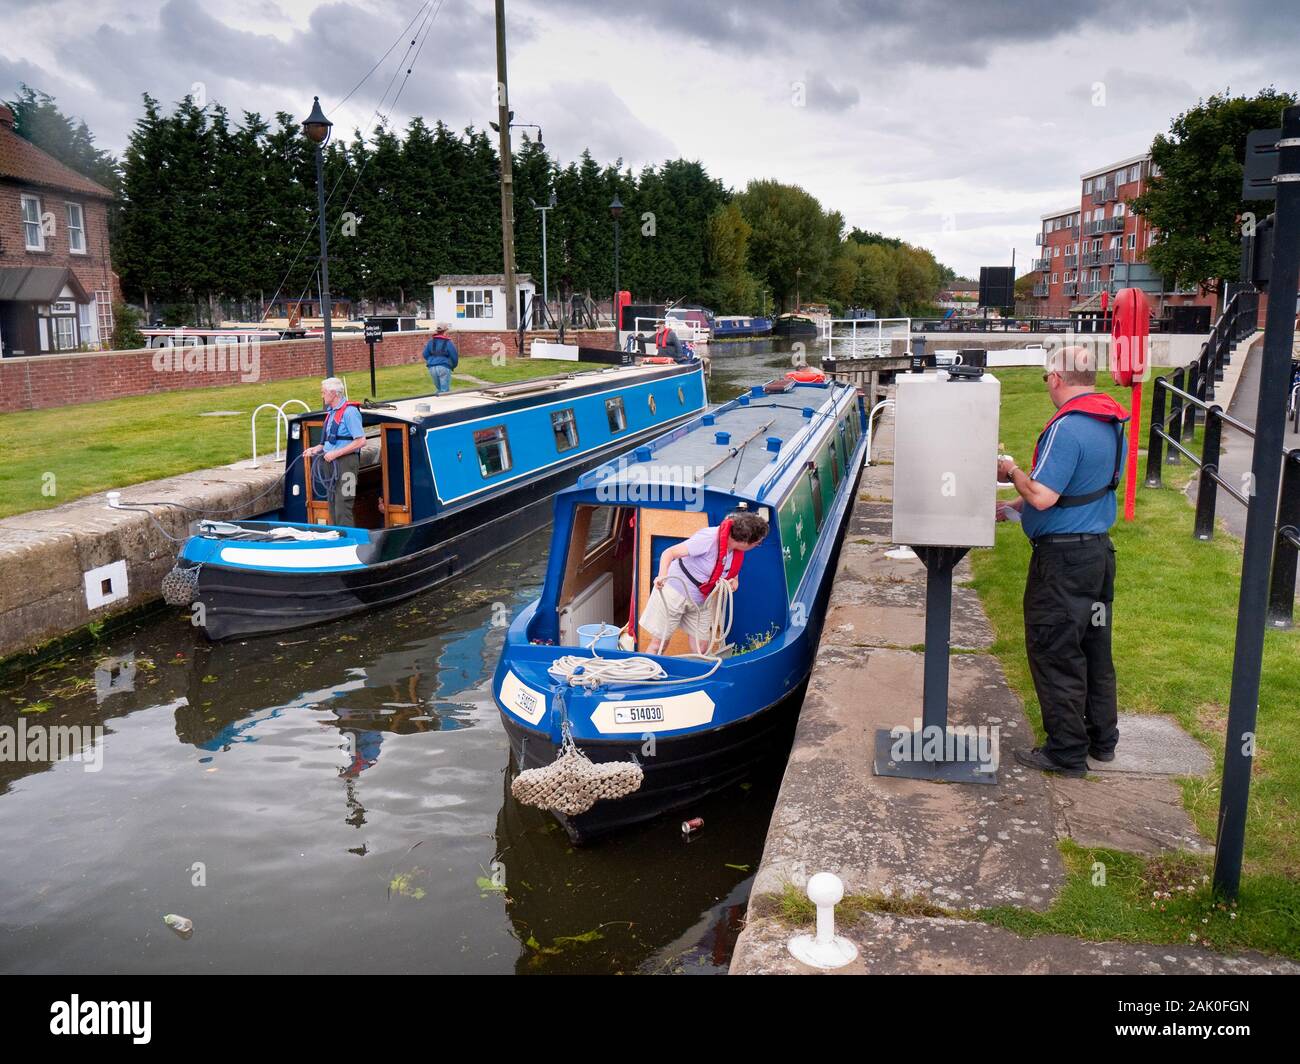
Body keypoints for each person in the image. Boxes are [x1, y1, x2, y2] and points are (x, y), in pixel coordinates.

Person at [997, 345, 1128, 778]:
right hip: (1097, 556)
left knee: (1055, 649)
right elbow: (1076, 488)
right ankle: (1101, 739)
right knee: (1094, 648)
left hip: (1063, 563)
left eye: (1045, 379)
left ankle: (1066, 752)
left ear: (1056, 378)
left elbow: (1044, 494)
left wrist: (1011, 470)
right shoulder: (1110, 422)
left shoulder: (1067, 427)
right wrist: (1010, 507)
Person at [638, 511, 769, 655]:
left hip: (702, 599)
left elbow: (729, 567)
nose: (757, 546)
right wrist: (662, 576)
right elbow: (669, 553)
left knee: (702, 647)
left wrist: (734, 580)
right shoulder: (708, 538)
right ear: (744, 541)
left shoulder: (735, 549)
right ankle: (646, 673)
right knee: (659, 645)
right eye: (757, 543)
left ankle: (699, 674)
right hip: (675, 592)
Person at [306, 377, 365, 527]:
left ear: (333, 393)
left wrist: (336, 454)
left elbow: (360, 441)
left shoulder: (350, 413)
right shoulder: (331, 413)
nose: (322, 395)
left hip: (347, 464)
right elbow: (331, 440)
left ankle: (347, 539)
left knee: (344, 502)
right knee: (332, 501)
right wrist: (316, 449)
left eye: (324, 392)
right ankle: (337, 534)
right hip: (330, 462)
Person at [421, 322, 458, 393]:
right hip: (444, 366)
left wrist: (432, 360)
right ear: (446, 331)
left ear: (437, 331)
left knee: (439, 389)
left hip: (432, 367)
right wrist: (453, 365)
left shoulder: (431, 342)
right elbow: (454, 356)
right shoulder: (448, 342)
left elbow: (425, 354)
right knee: (444, 390)